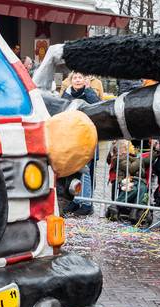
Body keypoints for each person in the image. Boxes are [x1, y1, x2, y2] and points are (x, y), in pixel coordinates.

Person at [62, 71, 101, 216]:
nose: (77, 80)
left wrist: (88, 90)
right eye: (75, 78)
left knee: (86, 171)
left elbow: (98, 106)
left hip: (87, 136)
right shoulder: (67, 94)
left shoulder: (89, 93)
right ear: (71, 80)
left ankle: (86, 203)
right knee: (75, 170)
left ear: (85, 80)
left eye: (80, 78)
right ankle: (76, 200)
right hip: (72, 137)